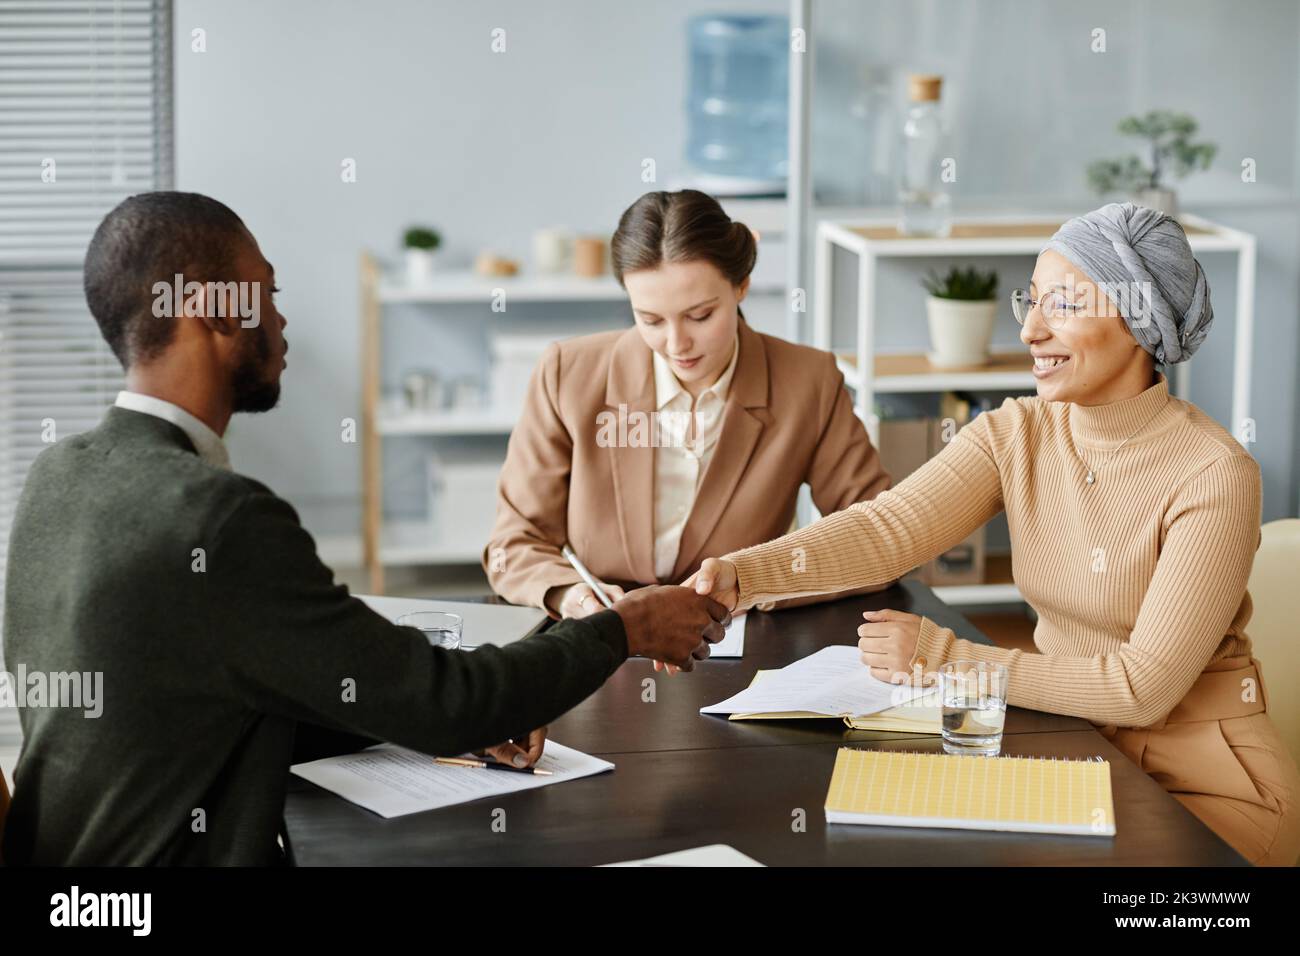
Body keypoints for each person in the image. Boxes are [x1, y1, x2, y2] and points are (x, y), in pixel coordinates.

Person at [1, 192, 728, 866]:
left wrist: (415, 712)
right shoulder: (218, 520)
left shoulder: (57, 476)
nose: (282, 319)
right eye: (269, 293)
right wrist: (624, 628)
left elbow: (212, 700)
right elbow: (447, 703)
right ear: (214, 312)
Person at [687, 203, 1300, 867]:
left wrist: (947, 658)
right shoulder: (1018, 431)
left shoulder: (1214, 472)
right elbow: (891, 527)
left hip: (1205, 784)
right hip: (1076, 747)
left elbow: (1143, 689)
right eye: (1030, 302)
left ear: (1138, 320)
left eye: (1062, 304)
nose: (1031, 330)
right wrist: (742, 575)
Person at [485, 189, 892, 623]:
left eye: (700, 316)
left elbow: (880, 537)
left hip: (743, 640)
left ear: (741, 286)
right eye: (651, 320)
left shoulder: (807, 381)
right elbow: (513, 545)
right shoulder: (567, 373)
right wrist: (571, 595)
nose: (677, 345)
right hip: (601, 638)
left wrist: (756, 580)